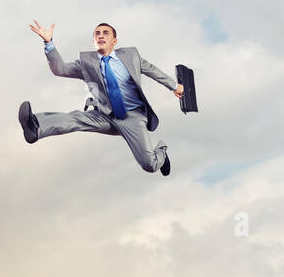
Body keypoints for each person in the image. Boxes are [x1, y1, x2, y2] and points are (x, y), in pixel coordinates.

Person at [19, 20, 184, 174]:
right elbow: (60, 69)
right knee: (75, 119)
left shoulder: (131, 55)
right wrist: (49, 43)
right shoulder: (86, 62)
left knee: (149, 165)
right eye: (97, 33)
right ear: (93, 41)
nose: (101, 35)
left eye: (106, 33)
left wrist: (174, 86)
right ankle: (36, 126)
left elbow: (152, 70)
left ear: (114, 41)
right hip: (105, 115)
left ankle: (162, 152)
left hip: (132, 117)